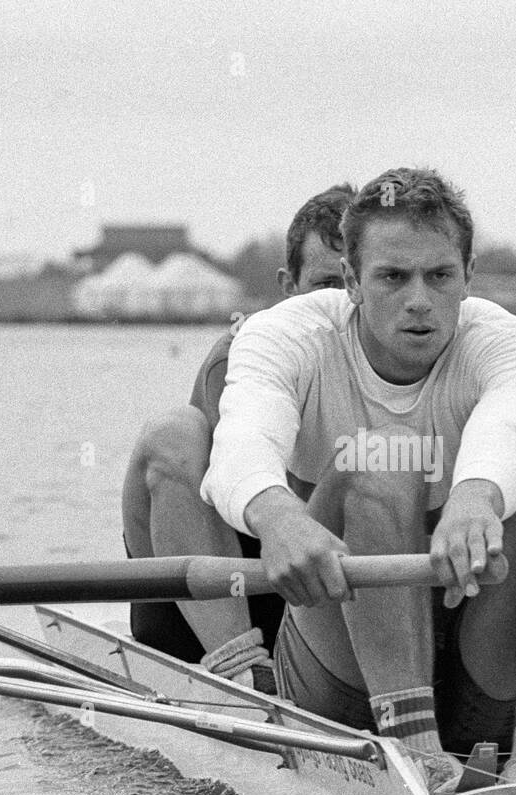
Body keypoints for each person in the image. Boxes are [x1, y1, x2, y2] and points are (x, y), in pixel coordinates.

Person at [200, 168, 516, 795]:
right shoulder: (285, 336)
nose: (419, 299)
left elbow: (509, 424)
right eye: (393, 277)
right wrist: (281, 520)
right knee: (378, 458)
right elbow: (240, 447)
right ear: (351, 283)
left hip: (472, 645)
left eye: (439, 276)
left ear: (468, 276)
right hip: (343, 674)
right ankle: (418, 754)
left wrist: (476, 498)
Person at [121, 183, 354, 689]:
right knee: (173, 432)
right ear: (288, 285)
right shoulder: (239, 358)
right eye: (326, 286)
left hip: (322, 599)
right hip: (217, 593)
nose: (342, 307)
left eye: (354, 287)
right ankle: (243, 671)